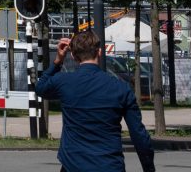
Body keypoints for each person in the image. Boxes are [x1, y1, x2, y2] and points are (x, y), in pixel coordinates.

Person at [37, 29, 155, 172]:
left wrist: (57, 61)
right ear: (99, 52)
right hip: (110, 165)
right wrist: (149, 168)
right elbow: (138, 134)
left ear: (73, 56)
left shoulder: (65, 82)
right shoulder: (121, 88)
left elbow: (41, 88)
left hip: (73, 165)